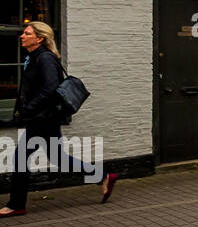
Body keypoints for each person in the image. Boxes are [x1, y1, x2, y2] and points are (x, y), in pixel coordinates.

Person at [2, 22, 118, 216]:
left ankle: (16, 204)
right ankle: (103, 176)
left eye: (27, 33)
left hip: (43, 118)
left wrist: (29, 109)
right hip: (45, 118)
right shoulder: (34, 57)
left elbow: (50, 88)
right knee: (58, 159)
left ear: (39, 38)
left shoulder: (45, 58)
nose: (22, 36)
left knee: (21, 158)